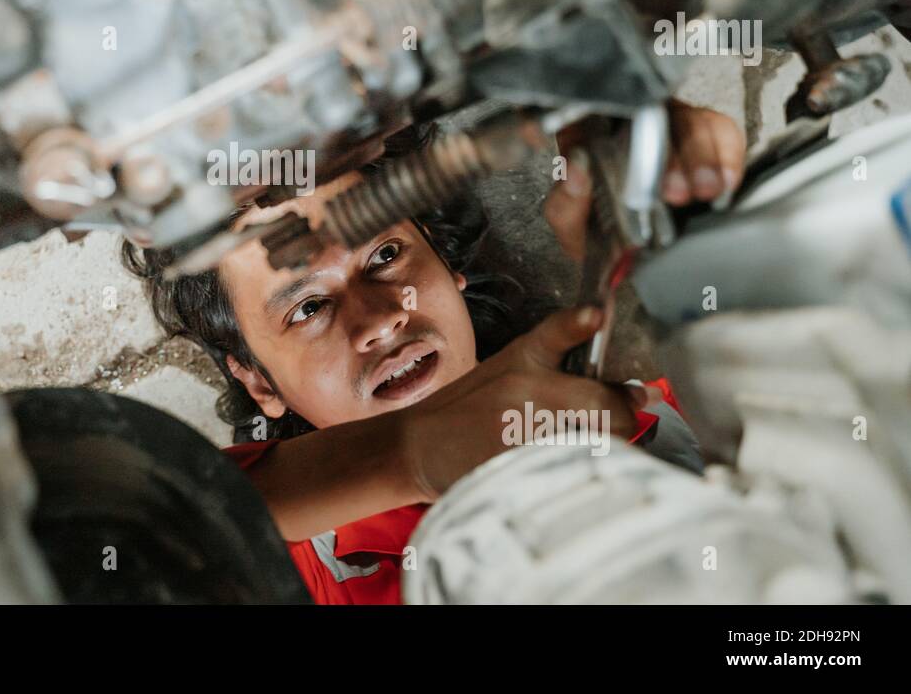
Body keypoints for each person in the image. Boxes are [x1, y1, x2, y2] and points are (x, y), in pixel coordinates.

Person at [124, 100, 747, 603]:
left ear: (449, 267)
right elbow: (98, 528)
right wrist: (409, 454)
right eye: (308, 307)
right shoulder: (278, 575)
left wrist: (720, 219)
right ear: (260, 383)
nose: (379, 321)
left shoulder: (684, 415)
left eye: (386, 256)